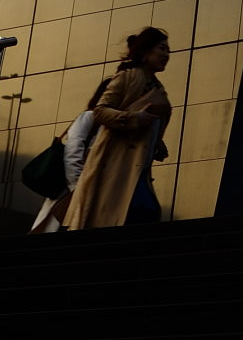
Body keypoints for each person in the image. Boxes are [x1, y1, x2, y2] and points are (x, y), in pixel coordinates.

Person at [59, 27, 174, 229]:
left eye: (168, 50)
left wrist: (157, 142)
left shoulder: (159, 89)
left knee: (144, 212)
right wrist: (133, 118)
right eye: (162, 48)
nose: (166, 55)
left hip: (138, 168)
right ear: (146, 52)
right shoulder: (127, 78)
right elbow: (100, 111)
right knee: (137, 212)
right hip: (115, 166)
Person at [28, 76, 113, 233]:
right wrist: (78, 187)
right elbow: (72, 152)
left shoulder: (112, 125)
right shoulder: (90, 117)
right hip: (71, 192)